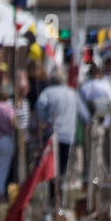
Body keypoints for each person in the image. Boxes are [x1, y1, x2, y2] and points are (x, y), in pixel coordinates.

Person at [34, 67, 90, 206]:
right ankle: (59, 198)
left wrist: (44, 120)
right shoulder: (73, 94)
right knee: (62, 168)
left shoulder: (48, 92)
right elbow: (85, 116)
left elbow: (39, 107)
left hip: (51, 135)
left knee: (51, 167)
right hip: (67, 136)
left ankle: (54, 197)